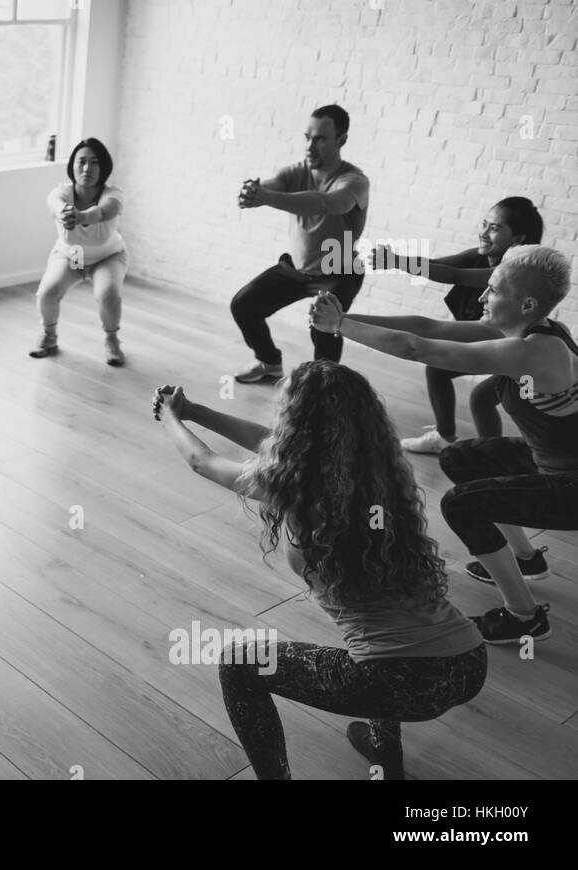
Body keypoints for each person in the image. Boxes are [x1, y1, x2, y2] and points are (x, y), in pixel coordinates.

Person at [153, 363, 486, 780]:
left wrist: (170, 416)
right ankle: (386, 752)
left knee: (239, 662)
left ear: (295, 424)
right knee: (381, 644)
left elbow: (202, 461)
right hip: (468, 661)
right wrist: (196, 411)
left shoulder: (294, 485)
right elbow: (272, 446)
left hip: (397, 681)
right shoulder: (380, 473)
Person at [311, 245, 576, 643]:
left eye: (493, 290)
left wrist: (338, 327)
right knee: (460, 457)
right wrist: (341, 317)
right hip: (548, 459)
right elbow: (427, 327)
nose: (483, 297)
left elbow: (417, 348)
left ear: (527, 304)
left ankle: (525, 617)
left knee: (460, 504)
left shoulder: (532, 351)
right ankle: (526, 558)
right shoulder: (529, 329)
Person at [373, 198, 544, 453]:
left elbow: (454, 276)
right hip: (501, 345)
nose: (483, 233)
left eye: (494, 228)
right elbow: (441, 265)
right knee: (445, 375)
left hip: (525, 354)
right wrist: (397, 260)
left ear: (517, 239)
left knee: (486, 400)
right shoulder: (478, 257)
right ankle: (451, 439)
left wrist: (397, 261)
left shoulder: (514, 271)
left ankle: (503, 458)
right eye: (484, 224)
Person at [231, 105, 370, 383]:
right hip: (296, 268)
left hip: (338, 273)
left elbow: (327, 203)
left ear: (341, 140)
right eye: (307, 137)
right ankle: (269, 362)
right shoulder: (296, 172)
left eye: (320, 139)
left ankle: (323, 389)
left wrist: (266, 198)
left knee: (324, 329)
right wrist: (255, 191)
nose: (310, 146)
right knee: (244, 305)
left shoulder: (354, 180)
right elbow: (272, 185)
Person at [29, 138, 129, 367]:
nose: (87, 168)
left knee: (108, 294)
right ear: (72, 165)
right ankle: (49, 336)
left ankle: (112, 340)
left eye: (94, 163)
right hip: (71, 256)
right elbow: (54, 204)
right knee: (46, 293)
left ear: (103, 167)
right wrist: (63, 212)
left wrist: (82, 216)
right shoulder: (61, 193)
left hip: (108, 257)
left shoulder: (114, 194)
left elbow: (105, 211)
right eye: (81, 161)